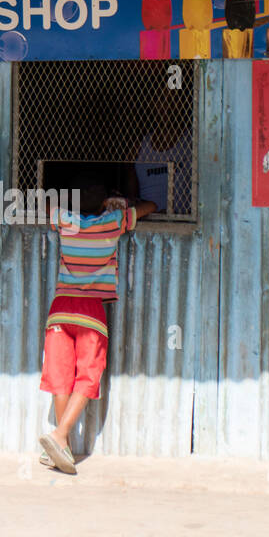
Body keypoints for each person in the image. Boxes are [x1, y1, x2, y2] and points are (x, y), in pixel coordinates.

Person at [38, 181, 156, 474]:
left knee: (61, 375)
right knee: (88, 376)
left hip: (61, 309)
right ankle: (59, 435)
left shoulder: (66, 219)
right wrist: (122, 205)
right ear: (103, 203)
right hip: (90, 311)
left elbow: (43, 204)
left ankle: (61, 446)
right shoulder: (112, 223)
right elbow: (151, 207)